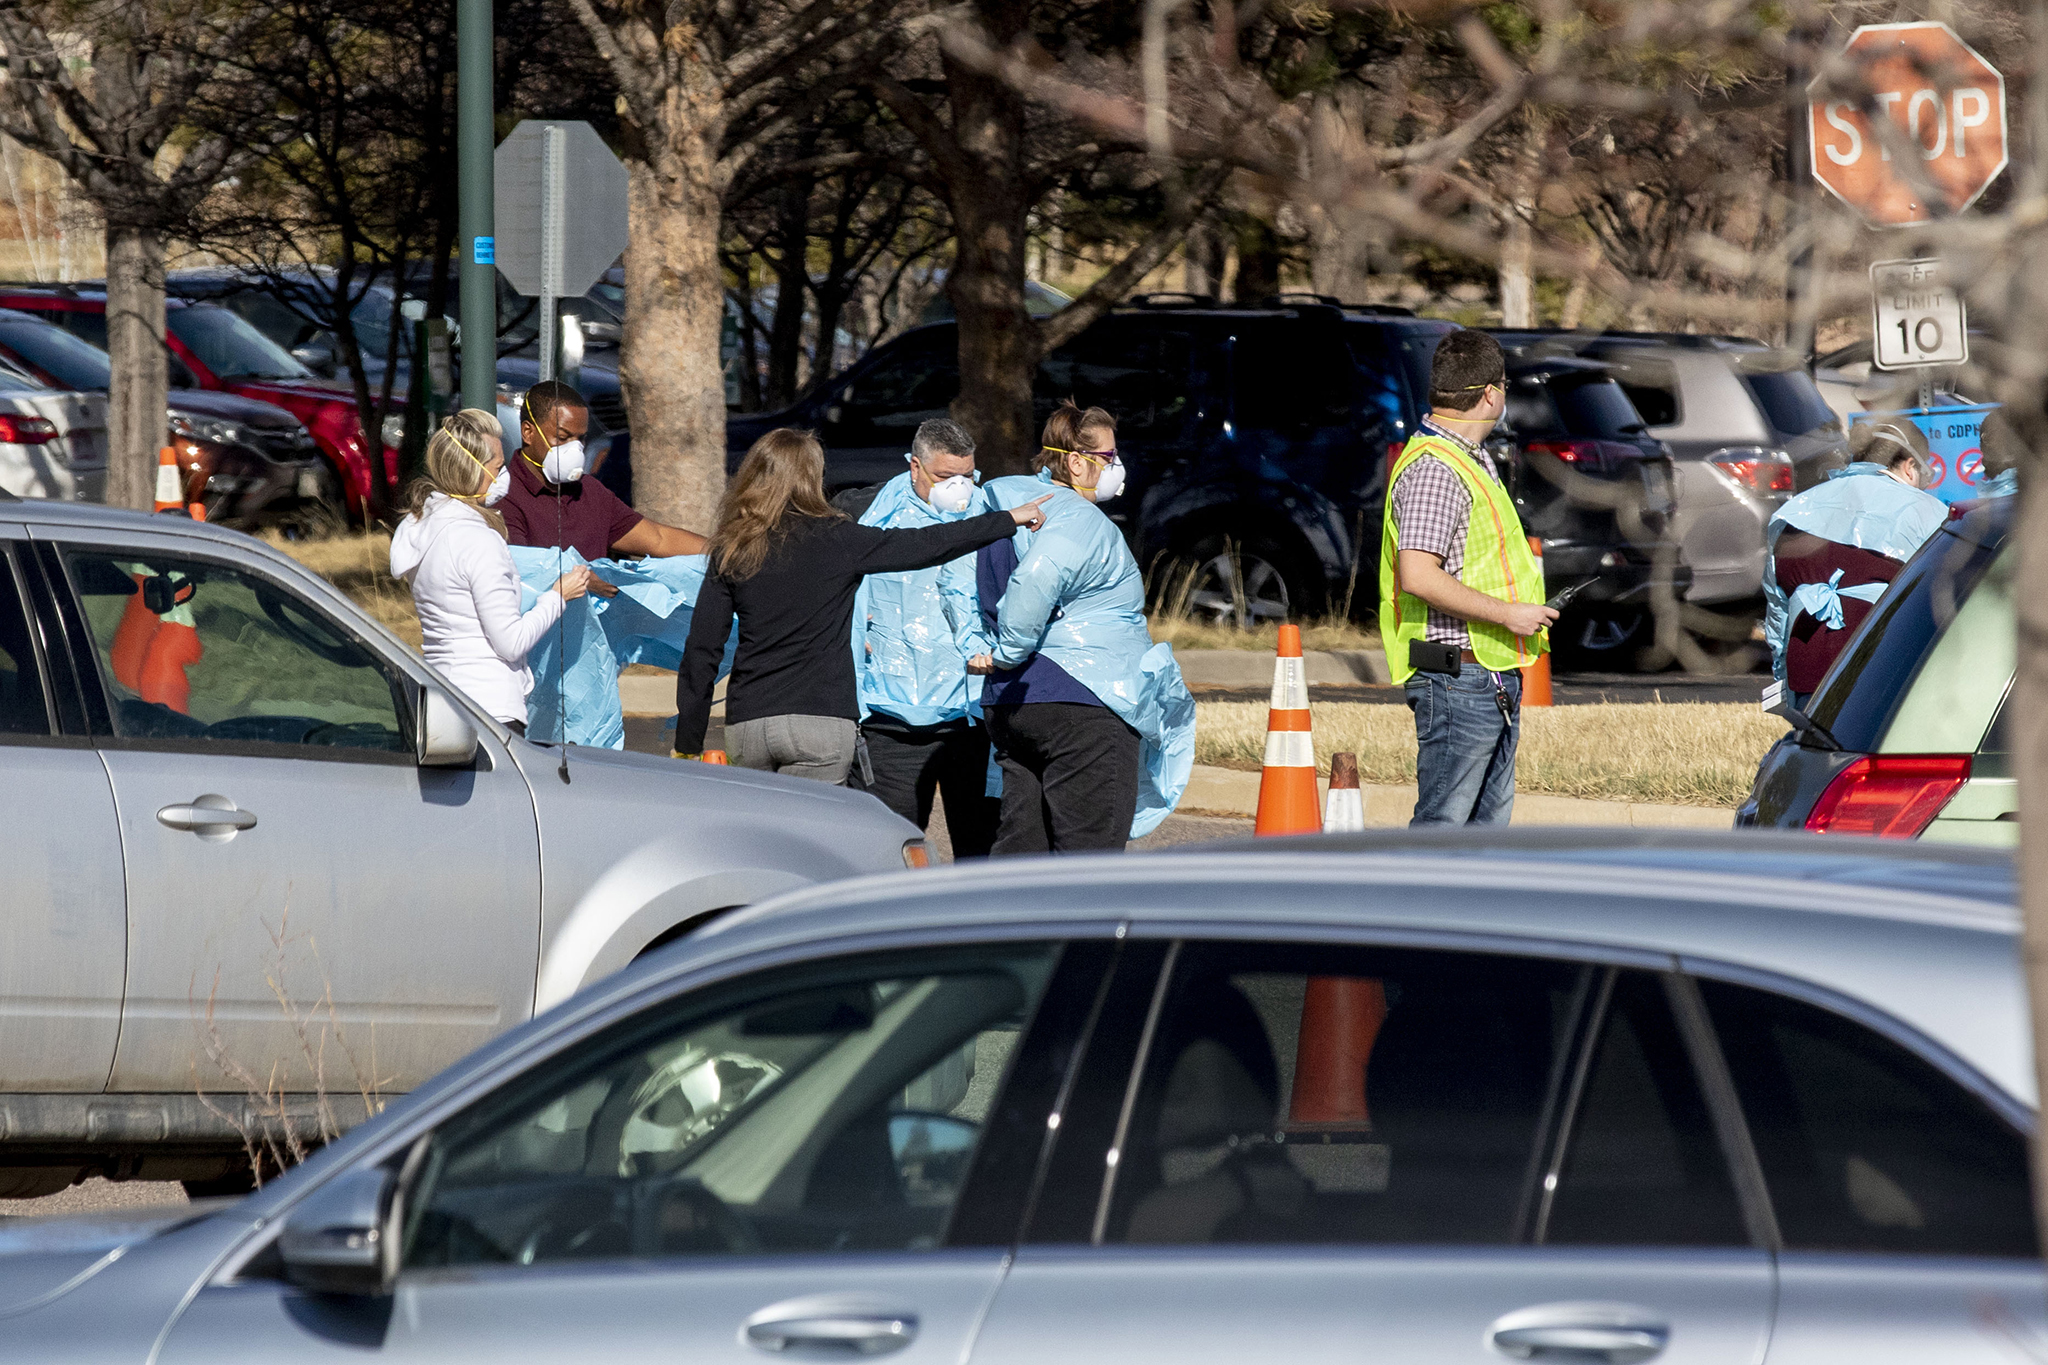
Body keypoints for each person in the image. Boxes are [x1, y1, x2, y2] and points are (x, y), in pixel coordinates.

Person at [674, 428, 1049, 783]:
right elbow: (928, 543)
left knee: (757, 830)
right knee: (811, 828)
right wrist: (1008, 519)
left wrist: (688, 741)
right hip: (821, 719)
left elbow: (703, 649)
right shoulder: (839, 539)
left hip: (749, 721)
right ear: (814, 477)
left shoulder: (732, 549)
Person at [1381, 329, 1555, 827]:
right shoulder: (1437, 470)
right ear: (1492, 394)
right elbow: (1418, 575)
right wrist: (1509, 614)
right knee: (1442, 834)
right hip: (1458, 678)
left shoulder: (1466, 457)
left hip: (1484, 673)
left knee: (1480, 843)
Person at [967, 401, 1153, 854]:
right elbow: (1036, 578)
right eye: (1108, 457)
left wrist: (984, 652)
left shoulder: (1002, 506)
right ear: (1076, 463)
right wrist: (1010, 650)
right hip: (1084, 701)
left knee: (1023, 850)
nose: (1116, 467)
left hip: (1012, 702)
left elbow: (957, 585)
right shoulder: (1078, 519)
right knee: (1088, 859)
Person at [842, 417, 1003, 857]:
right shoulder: (863, 511)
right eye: (945, 477)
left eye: (967, 476)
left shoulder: (993, 511)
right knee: (887, 853)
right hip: (890, 719)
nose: (959, 488)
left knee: (982, 852)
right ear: (915, 466)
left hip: (971, 716)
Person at [389, 408, 593, 734]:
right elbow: (511, 642)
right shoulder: (478, 540)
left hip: (440, 702)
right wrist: (558, 596)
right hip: (491, 709)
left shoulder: (421, 530)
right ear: (473, 470)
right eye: (498, 467)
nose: (503, 476)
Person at [1764, 418, 1947, 702]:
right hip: (1883, 674)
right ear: (1911, 466)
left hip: (1806, 676)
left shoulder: (1793, 512)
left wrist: (1781, 675)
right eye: (1926, 477)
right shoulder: (1929, 513)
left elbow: (1778, 609)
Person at [500, 381, 708, 584]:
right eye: (562, 437)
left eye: (580, 439)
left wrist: (722, 553)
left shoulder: (589, 491)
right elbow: (522, 571)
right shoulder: (504, 495)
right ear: (528, 433)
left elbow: (658, 539)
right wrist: (587, 581)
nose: (574, 448)